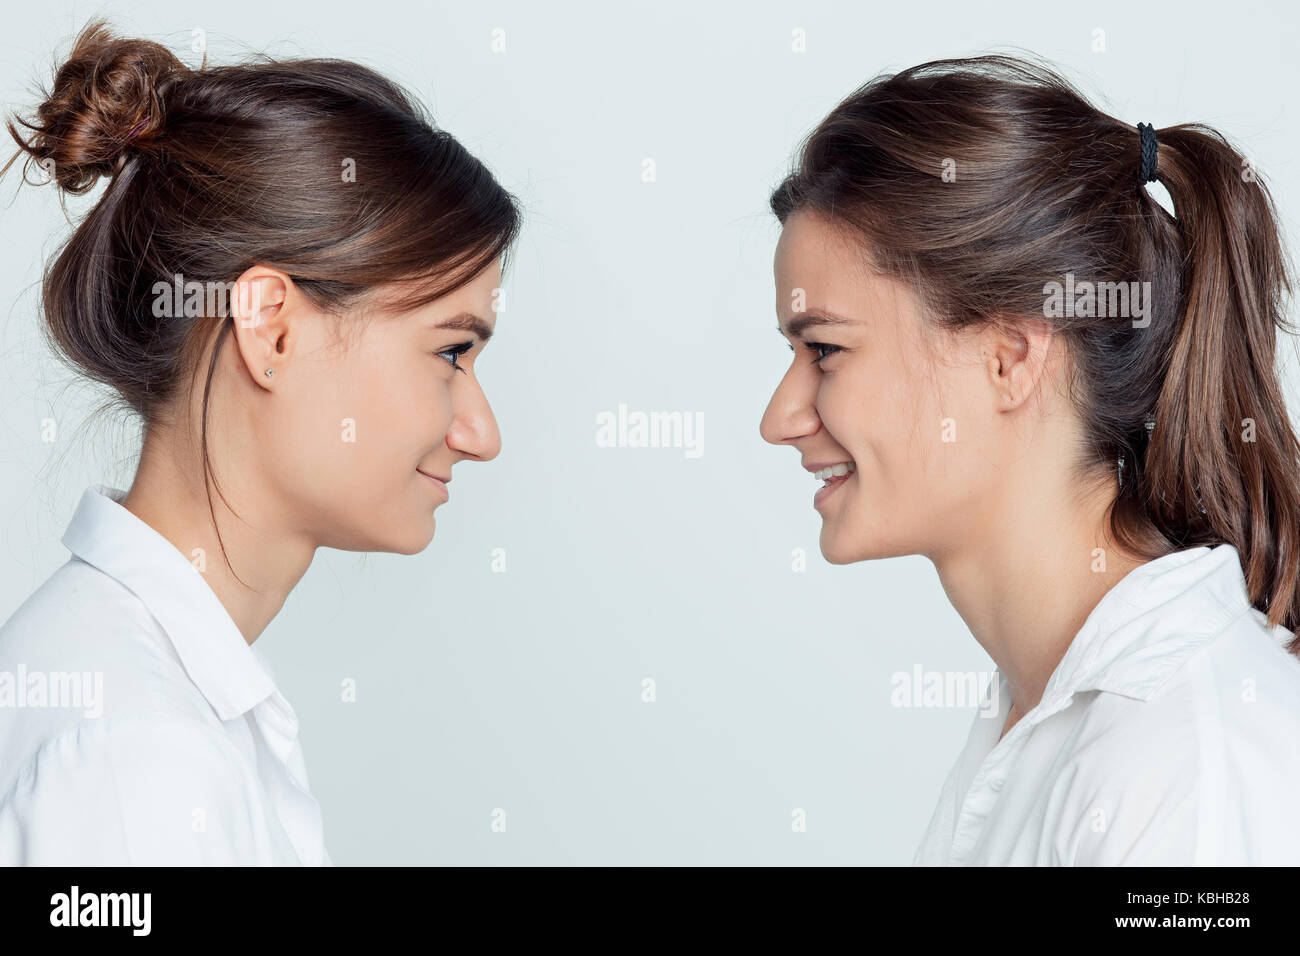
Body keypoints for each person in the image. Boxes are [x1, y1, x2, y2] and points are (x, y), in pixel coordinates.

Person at [0, 19, 521, 864]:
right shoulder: (138, 760)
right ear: (271, 329)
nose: (481, 433)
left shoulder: (152, 700)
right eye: (451, 352)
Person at [761, 54, 1300, 864]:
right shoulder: (1045, 719)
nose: (780, 418)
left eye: (826, 349)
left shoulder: (1181, 764)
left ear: (1010, 357)